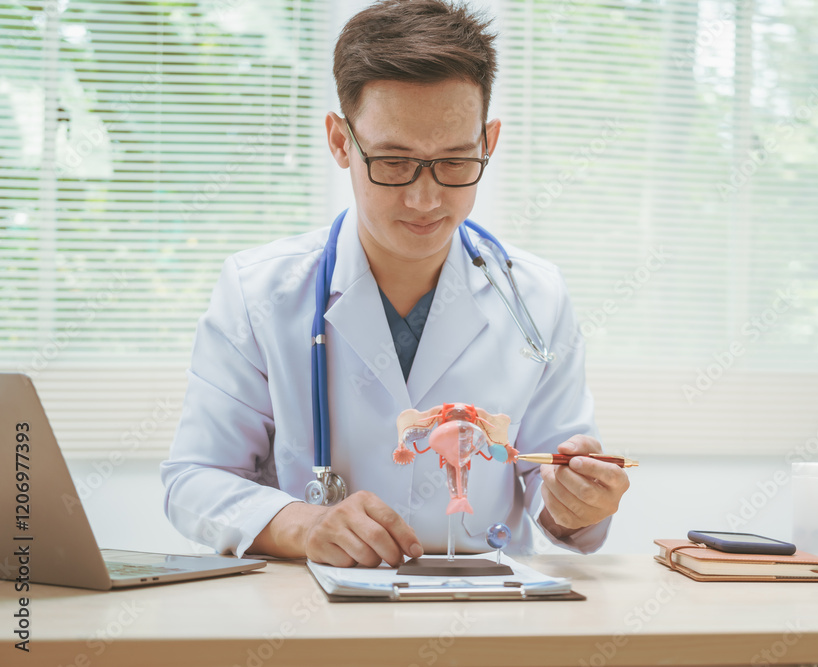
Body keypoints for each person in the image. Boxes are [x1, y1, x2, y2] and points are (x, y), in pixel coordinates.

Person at [160, 0, 629, 568]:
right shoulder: (258, 291)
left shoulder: (537, 297)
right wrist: (306, 526)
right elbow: (193, 480)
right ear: (340, 142)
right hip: (312, 614)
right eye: (393, 161)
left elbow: (550, 496)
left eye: (455, 162)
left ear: (488, 143)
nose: (425, 199)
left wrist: (576, 504)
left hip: (487, 616)